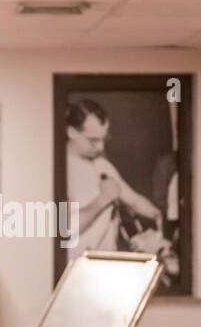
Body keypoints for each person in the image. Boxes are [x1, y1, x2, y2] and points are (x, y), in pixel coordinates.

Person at [65, 98, 163, 253]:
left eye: (104, 139)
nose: (101, 146)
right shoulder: (58, 168)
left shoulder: (101, 164)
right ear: (72, 133)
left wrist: (157, 215)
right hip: (76, 267)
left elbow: (134, 200)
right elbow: (64, 229)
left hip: (107, 263)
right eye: (93, 140)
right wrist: (103, 199)